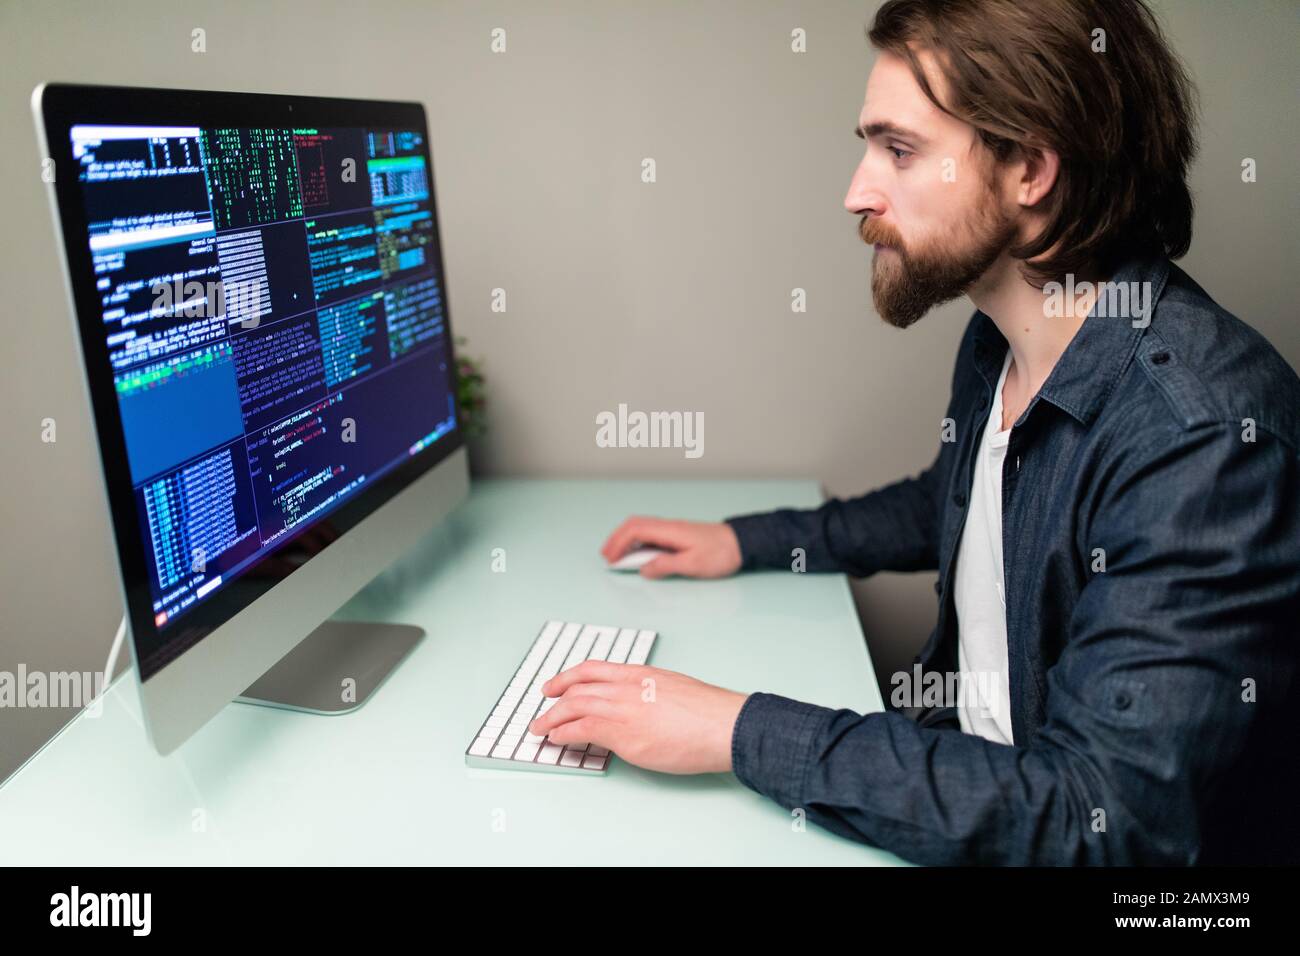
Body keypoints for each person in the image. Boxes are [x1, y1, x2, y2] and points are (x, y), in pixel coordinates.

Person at [529, 0, 1300, 865]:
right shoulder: (1005, 336)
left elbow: (1106, 820)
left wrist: (735, 729)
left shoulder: (1199, 442)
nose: (857, 192)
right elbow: (965, 501)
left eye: (899, 150)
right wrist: (751, 540)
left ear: (1031, 170)